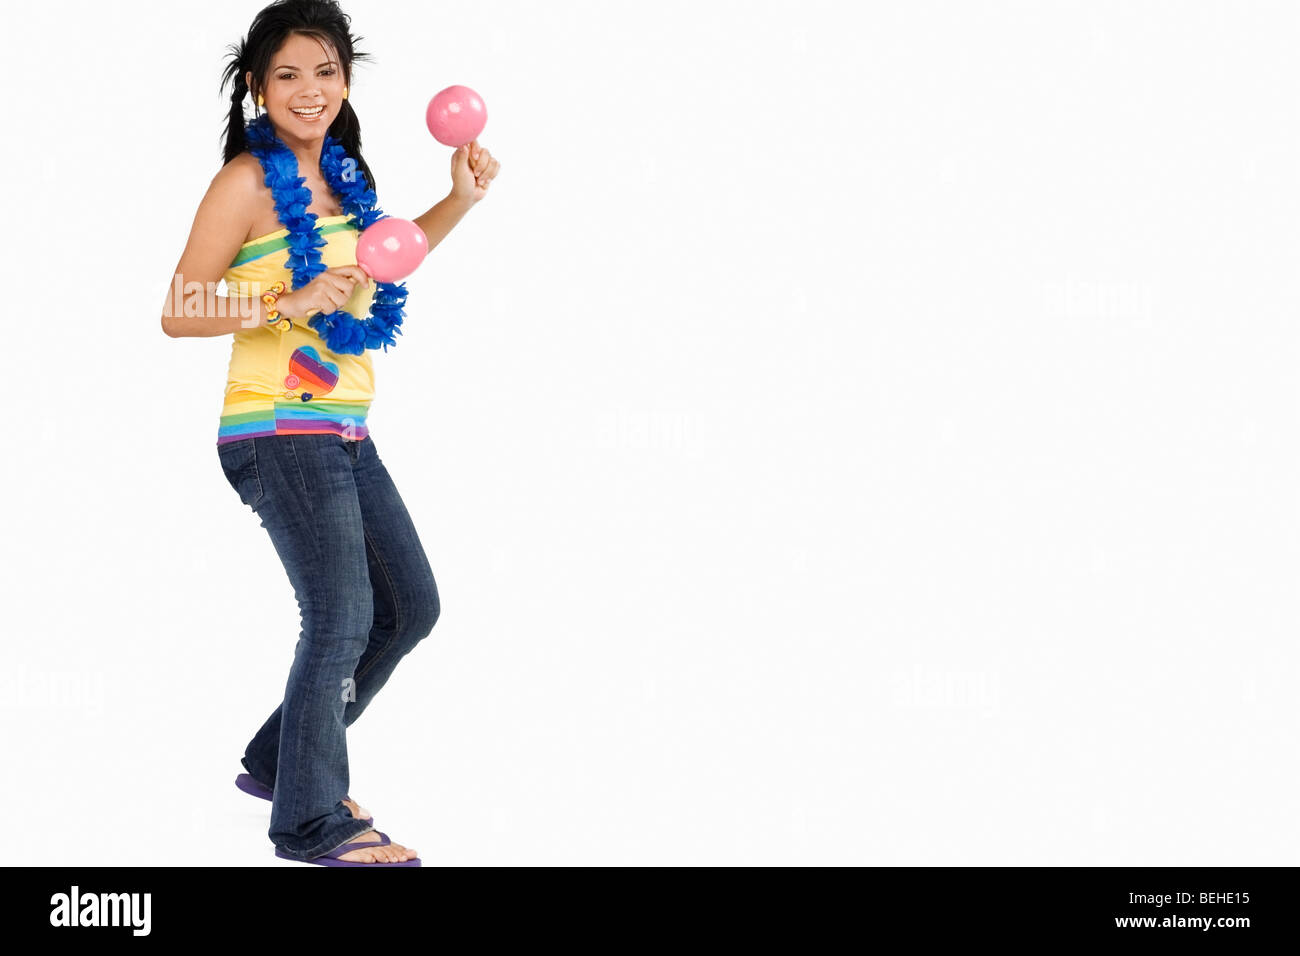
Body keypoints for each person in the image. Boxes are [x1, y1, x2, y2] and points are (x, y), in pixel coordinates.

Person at [160, 0, 501, 866]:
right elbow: (178, 308)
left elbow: (390, 258)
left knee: (409, 606)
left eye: (325, 72)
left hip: (345, 426)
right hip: (274, 428)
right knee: (342, 614)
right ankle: (310, 820)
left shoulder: (349, 177)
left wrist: (457, 200)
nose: (308, 91)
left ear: (345, 82)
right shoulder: (245, 183)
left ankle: (285, 759)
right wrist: (281, 298)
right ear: (256, 86)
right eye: (287, 74)